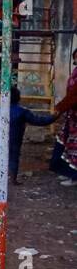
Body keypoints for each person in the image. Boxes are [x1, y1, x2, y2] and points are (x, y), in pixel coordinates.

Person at [0, 88, 56, 185]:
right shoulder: (22, 112)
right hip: (15, 139)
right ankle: (13, 179)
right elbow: (39, 121)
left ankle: (2, 179)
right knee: (14, 159)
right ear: (18, 98)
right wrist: (54, 117)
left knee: (1, 158)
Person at [49, 50, 77, 182]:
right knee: (65, 143)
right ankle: (67, 172)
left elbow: (74, 96)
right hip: (72, 115)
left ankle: (74, 176)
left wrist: (59, 108)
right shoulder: (76, 72)